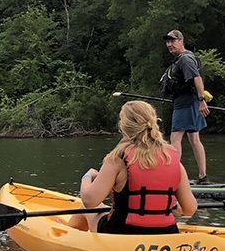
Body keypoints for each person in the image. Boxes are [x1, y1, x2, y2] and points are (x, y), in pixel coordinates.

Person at [68, 100, 196, 234]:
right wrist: (170, 205)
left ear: (123, 127)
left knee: (85, 208)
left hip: (122, 232)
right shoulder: (172, 158)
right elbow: (189, 209)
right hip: (166, 232)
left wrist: (87, 176)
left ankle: (69, 239)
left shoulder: (118, 158)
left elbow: (90, 201)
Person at [161, 29, 209, 184]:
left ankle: (174, 177)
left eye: (173, 41)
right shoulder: (182, 59)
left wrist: (201, 100)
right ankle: (203, 177)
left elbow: (197, 79)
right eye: (168, 41)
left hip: (186, 104)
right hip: (188, 102)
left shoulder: (185, 60)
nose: (169, 44)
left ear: (181, 41)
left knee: (175, 138)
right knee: (194, 138)